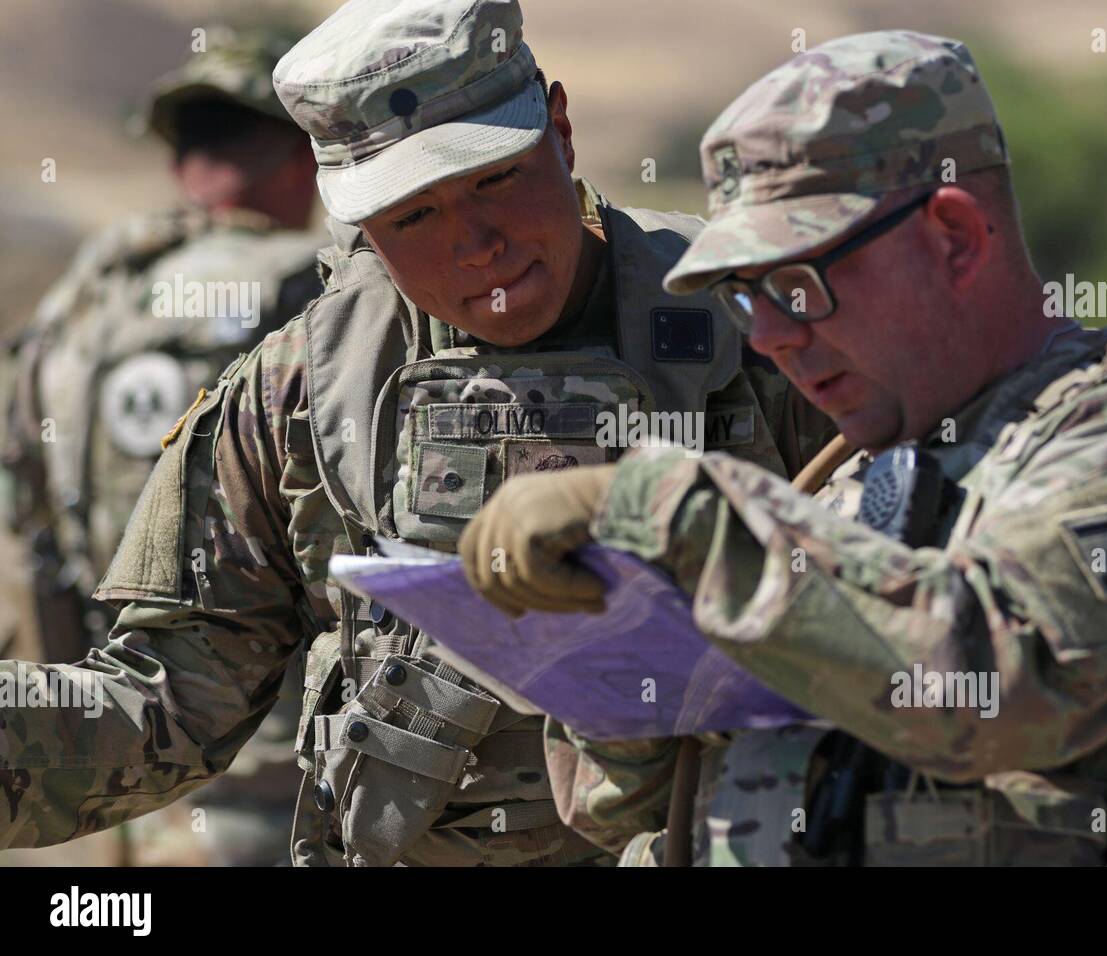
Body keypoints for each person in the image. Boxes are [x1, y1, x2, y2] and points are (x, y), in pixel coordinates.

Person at [0, 0, 834, 867]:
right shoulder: (301, 387)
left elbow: (929, 621)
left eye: (497, 178)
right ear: (361, 227)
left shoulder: (759, 329)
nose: (476, 245)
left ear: (559, 129)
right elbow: (170, 703)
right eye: (413, 216)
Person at [459, 30, 1107, 866]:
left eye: (798, 285)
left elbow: (984, 689)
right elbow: (629, 812)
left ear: (956, 237)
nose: (774, 340)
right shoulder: (859, 487)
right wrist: (616, 644)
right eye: (747, 298)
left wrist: (667, 511)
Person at [0, 26, 324, 866]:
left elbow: (22, 511)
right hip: (270, 757)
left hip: (111, 741)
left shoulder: (83, 302)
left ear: (184, 163)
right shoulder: (312, 293)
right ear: (304, 155)